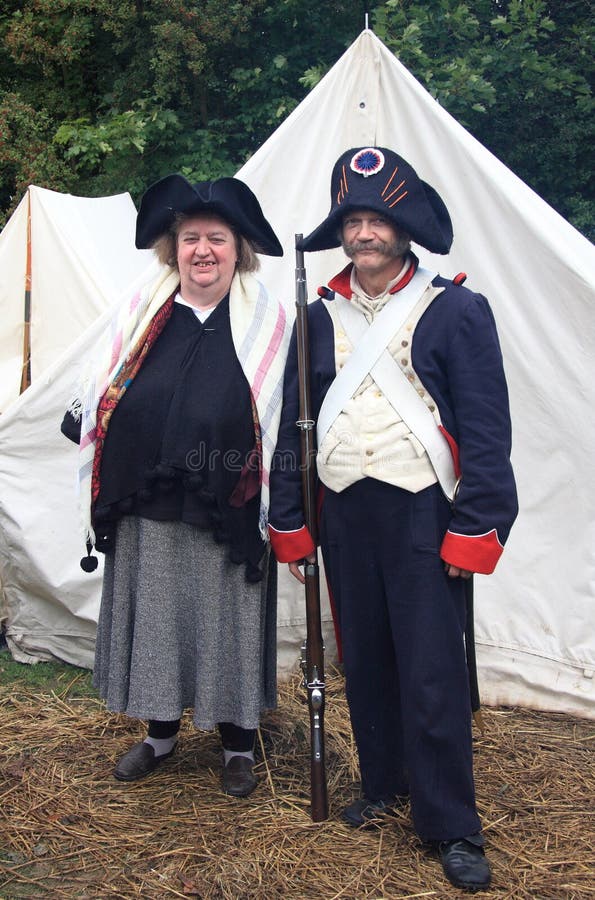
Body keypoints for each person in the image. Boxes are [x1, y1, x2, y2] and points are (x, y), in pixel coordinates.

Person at [268, 146, 518, 891]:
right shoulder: (316, 318)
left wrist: (472, 530)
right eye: (354, 219)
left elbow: (485, 432)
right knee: (365, 661)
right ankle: (383, 785)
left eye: (378, 218)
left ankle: (451, 824)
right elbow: (292, 427)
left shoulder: (456, 310)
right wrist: (290, 518)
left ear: (404, 229)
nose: (365, 231)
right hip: (344, 509)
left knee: (433, 675)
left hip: (422, 513)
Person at [62, 174, 290, 798]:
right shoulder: (142, 313)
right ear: (174, 249)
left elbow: (281, 418)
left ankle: (238, 745)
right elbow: (101, 387)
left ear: (238, 250)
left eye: (217, 239)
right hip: (149, 504)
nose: (203, 251)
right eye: (191, 239)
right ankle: (160, 736)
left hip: (230, 510)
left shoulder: (268, 325)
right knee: (158, 623)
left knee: (230, 626)